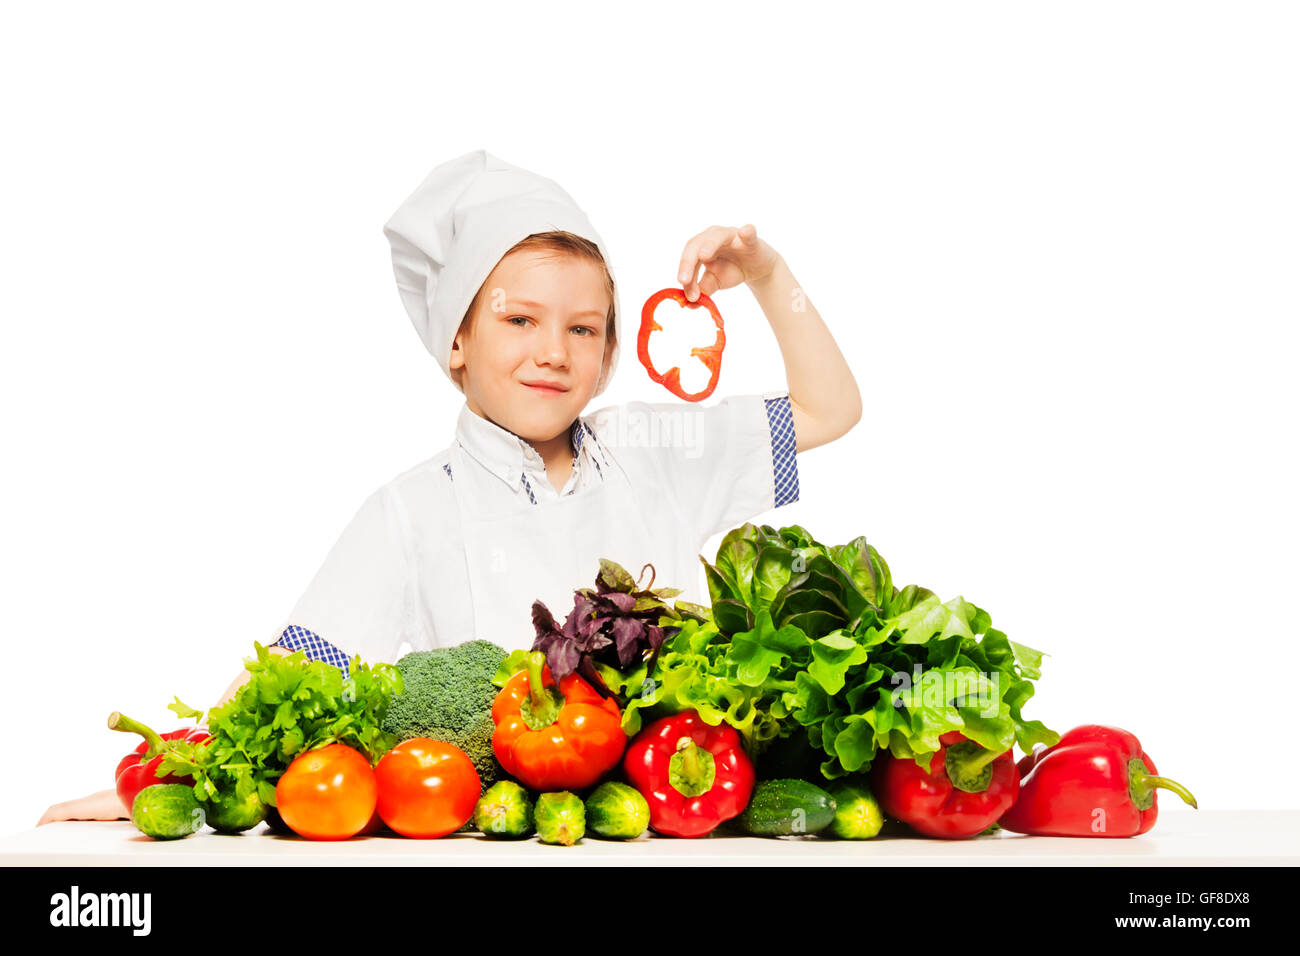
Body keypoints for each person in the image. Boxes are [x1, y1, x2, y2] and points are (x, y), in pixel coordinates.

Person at [38, 149, 861, 825]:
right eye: (519, 319)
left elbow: (832, 407)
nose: (554, 352)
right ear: (456, 339)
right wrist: (164, 780)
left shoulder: (655, 449)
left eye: (583, 329)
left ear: (609, 355)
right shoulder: (409, 509)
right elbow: (294, 669)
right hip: (480, 839)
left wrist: (768, 273)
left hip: (671, 825)